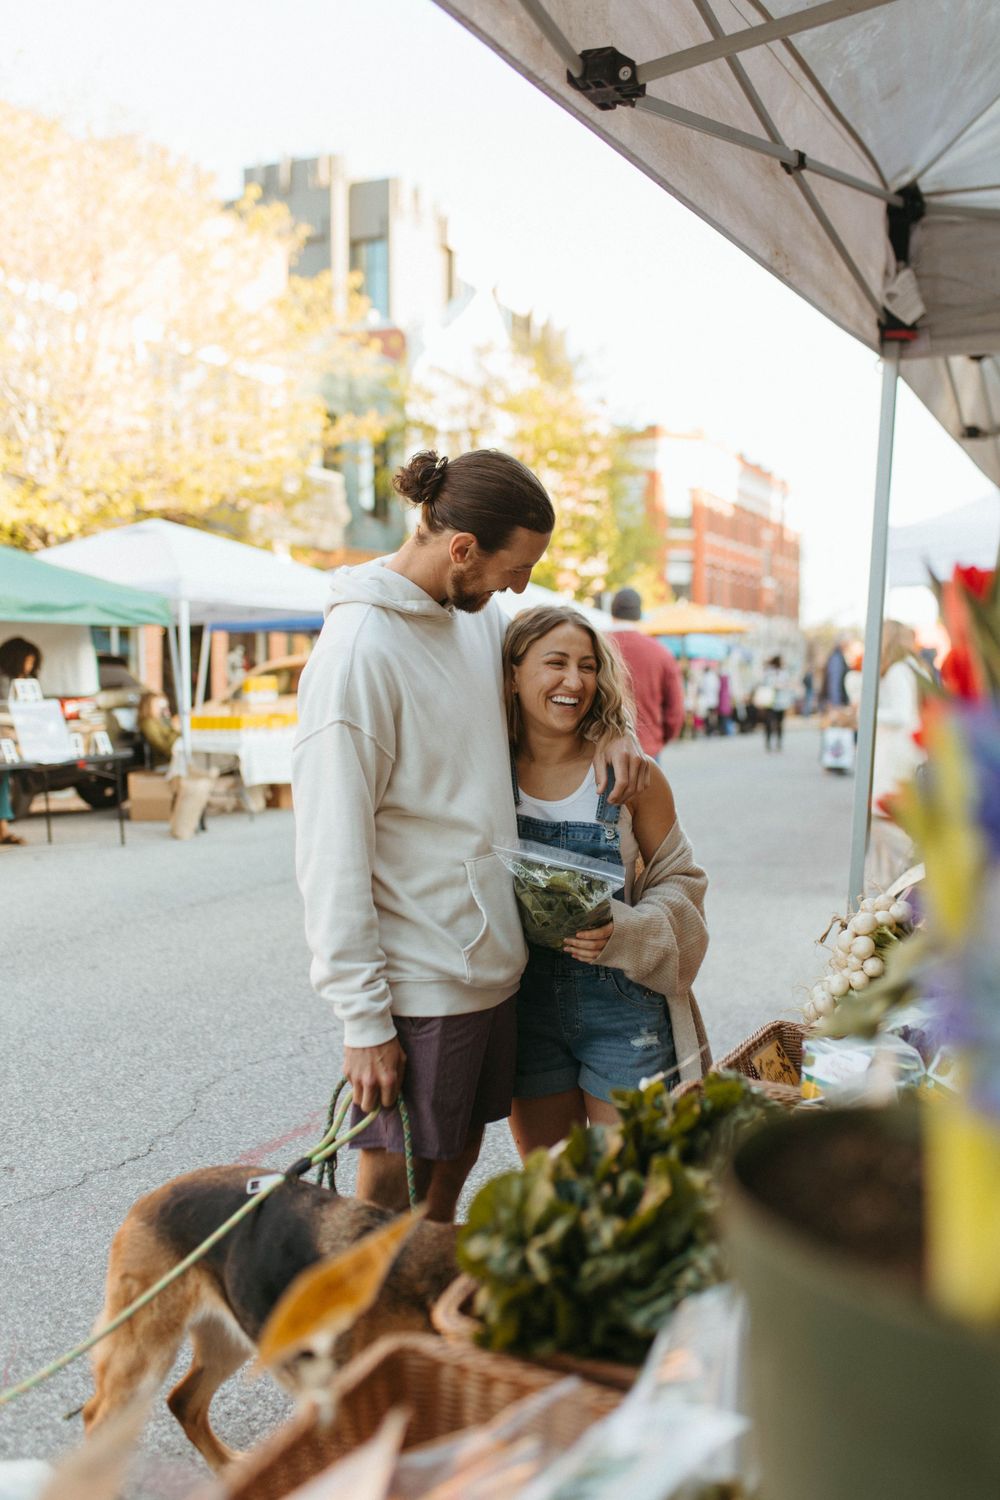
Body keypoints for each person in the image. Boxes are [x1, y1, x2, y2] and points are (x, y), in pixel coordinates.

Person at [292, 449, 650, 1223]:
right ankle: (356, 1347)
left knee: (442, 1194)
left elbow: (560, 671)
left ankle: (419, 1340)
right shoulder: (358, 657)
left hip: (492, 973)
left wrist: (614, 728)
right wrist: (363, 1021)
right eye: (513, 569)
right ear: (462, 549)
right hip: (421, 983)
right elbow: (331, 853)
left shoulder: (475, 619)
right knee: (386, 1207)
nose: (519, 588)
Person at [503, 606, 709, 1155]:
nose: (575, 681)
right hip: (523, 1005)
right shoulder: (487, 774)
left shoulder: (630, 775)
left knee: (636, 1187)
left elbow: (682, 883)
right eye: (556, 663)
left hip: (623, 1007)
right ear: (512, 673)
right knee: (554, 1192)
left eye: (588, 665)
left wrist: (631, 931)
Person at [868, 621, 924, 887]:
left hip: (895, 758)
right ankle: (882, 892)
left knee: (883, 820)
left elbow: (903, 715)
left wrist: (867, 712)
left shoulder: (898, 671)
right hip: (906, 754)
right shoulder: (912, 668)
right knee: (882, 835)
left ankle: (900, 886)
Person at [606, 587, 684, 757]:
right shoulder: (661, 652)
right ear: (639, 614)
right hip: (646, 749)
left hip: (600, 750)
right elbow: (675, 709)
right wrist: (659, 738)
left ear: (612, 610)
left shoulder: (595, 646)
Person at [0, 637, 42, 847]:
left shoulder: (22, 682)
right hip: (4, 738)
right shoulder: (4, 681)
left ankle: (3, 829)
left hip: (11, 741)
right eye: (28, 661)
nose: (30, 667)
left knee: (3, 783)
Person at [756, 655, 793, 750]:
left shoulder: (784, 673)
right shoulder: (768, 672)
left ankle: (779, 742)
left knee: (780, 723)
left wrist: (782, 686)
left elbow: (788, 684)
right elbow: (764, 684)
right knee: (768, 722)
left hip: (782, 701)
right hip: (770, 701)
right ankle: (768, 741)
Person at [137, 691, 181, 768]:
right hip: (163, 763)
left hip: (172, 757)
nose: (160, 708)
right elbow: (164, 747)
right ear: (148, 706)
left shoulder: (161, 720)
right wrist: (176, 729)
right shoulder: (148, 723)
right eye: (156, 705)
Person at [822, 635, 851, 709]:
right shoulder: (837, 658)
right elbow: (834, 681)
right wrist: (836, 704)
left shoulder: (839, 656)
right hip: (836, 703)